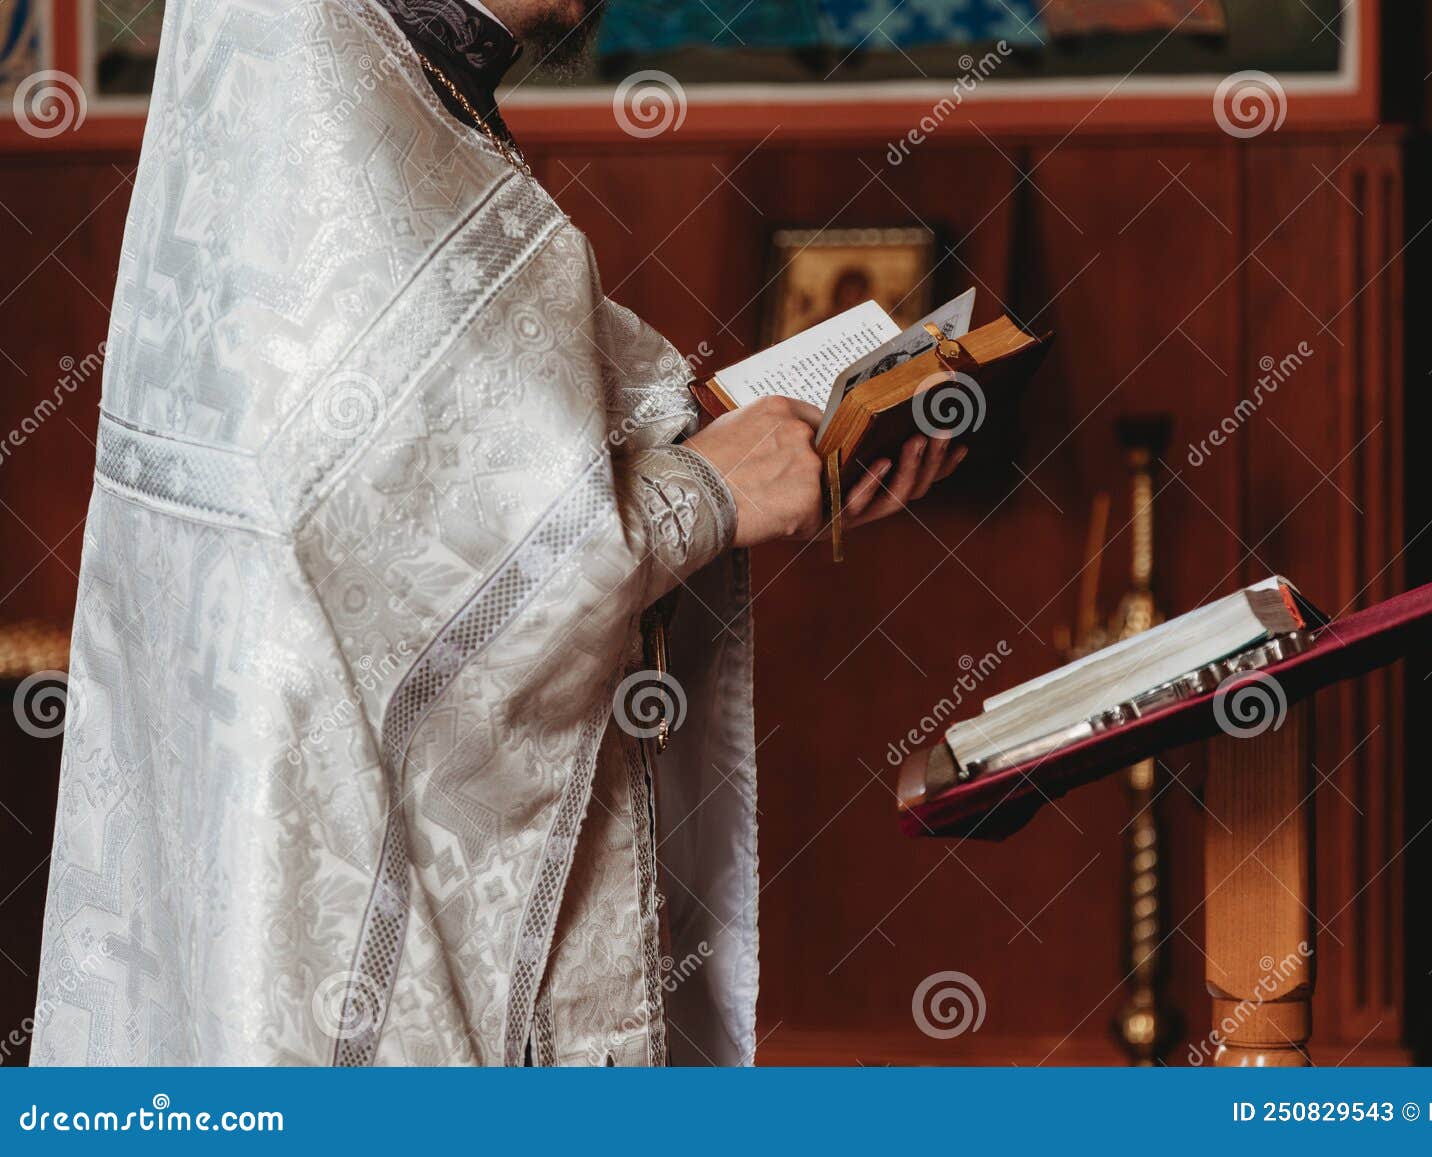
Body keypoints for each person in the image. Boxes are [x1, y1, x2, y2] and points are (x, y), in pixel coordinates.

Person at [30, 0, 960, 1066]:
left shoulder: (347, 78)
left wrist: (773, 445)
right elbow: (401, 572)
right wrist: (707, 490)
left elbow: (453, 455)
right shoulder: (321, 90)